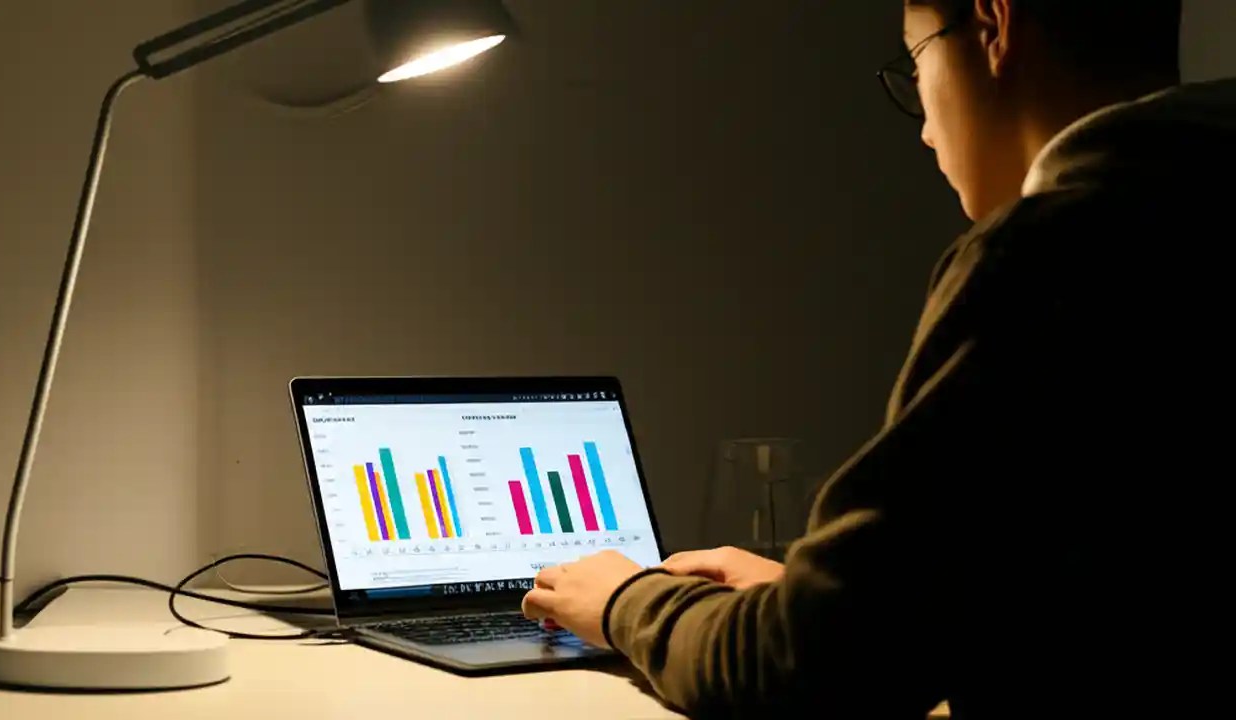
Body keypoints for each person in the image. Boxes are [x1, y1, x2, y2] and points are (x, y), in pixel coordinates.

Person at [524, 0, 1231, 716]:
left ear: (993, 24)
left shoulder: (1052, 254)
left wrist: (625, 598)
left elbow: (808, 673)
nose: (925, 129)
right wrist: (824, 594)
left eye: (915, 63)